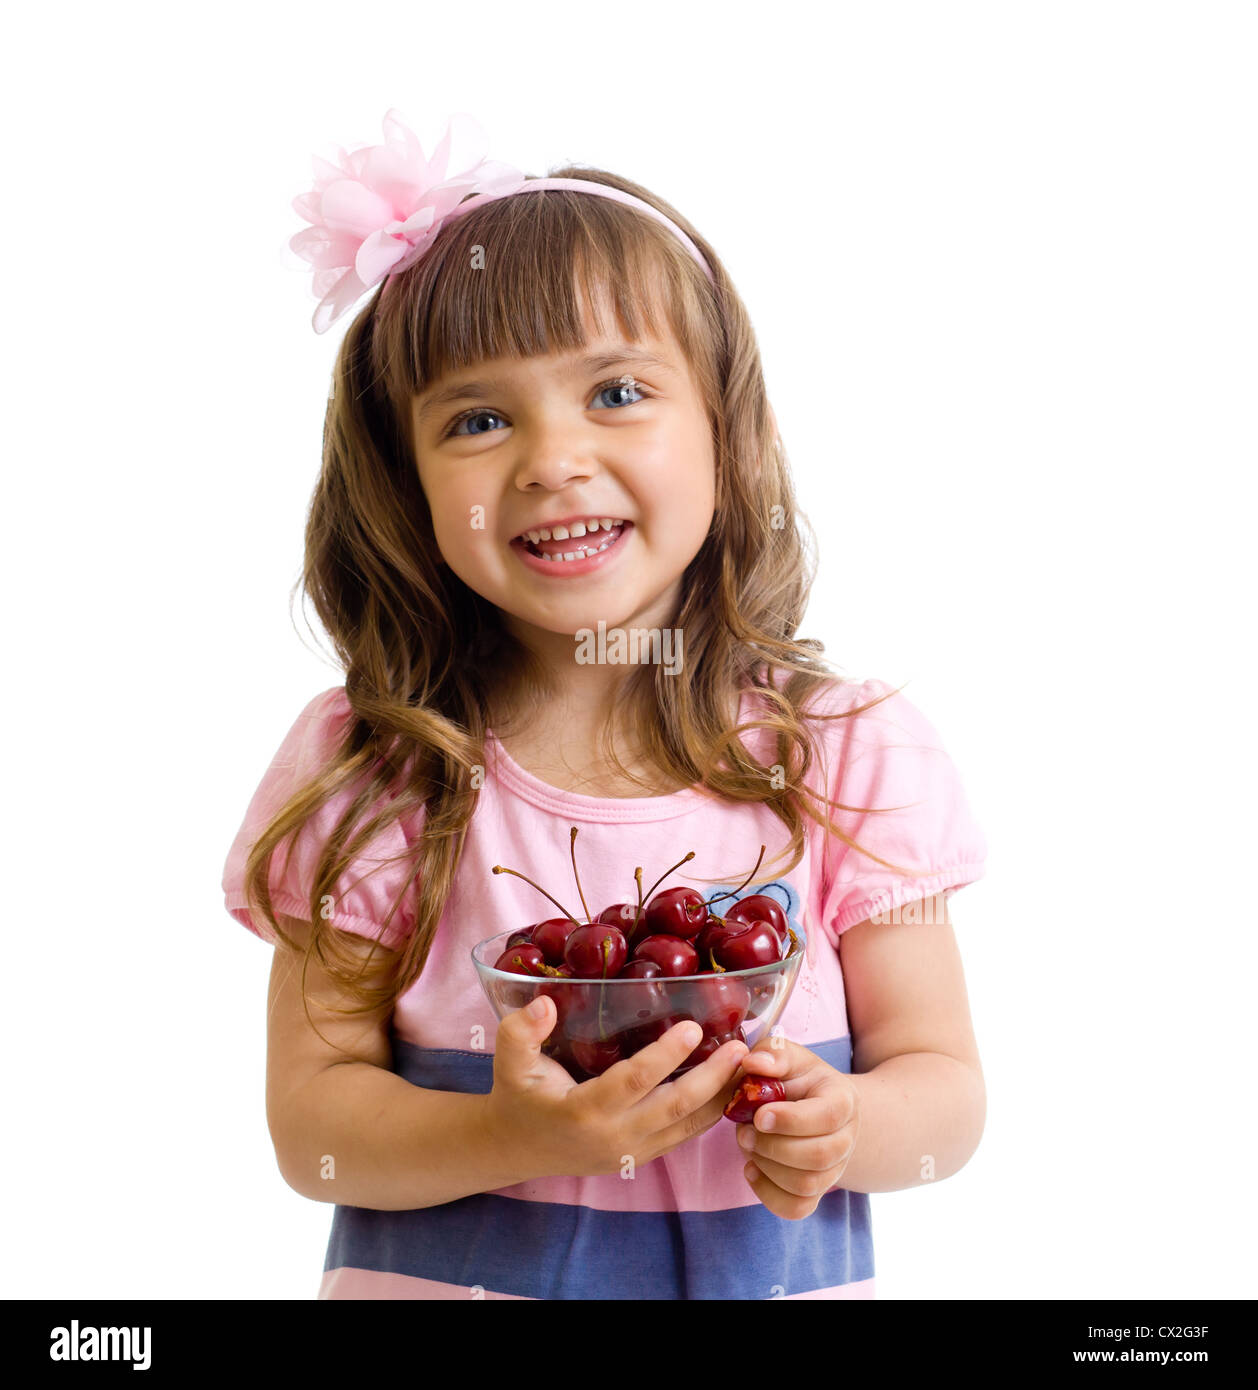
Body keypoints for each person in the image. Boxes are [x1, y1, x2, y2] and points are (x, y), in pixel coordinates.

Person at [221, 110, 989, 1299]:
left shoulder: (842, 751)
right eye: (477, 419)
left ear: (725, 433)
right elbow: (311, 1131)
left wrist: (843, 1124)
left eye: (618, 391)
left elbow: (942, 1086)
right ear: (402, 481)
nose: (551, 457)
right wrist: (511, 1136)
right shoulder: (375, 768)